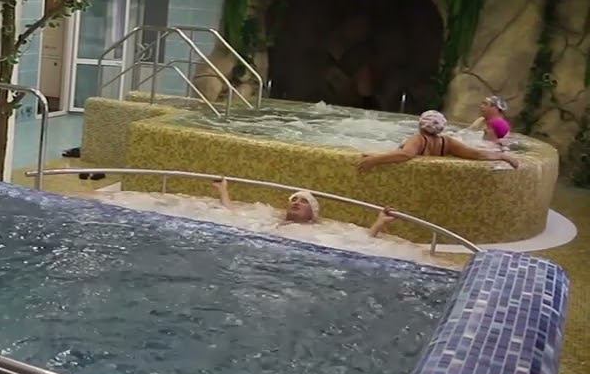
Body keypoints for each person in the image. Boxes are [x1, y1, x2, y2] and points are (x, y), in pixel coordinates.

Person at [212, 177, 398, 236]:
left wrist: (379, 223)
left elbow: (358, 240)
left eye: (303, 201)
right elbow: (234, 215)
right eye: (294, 200)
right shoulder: (268, 217)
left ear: (312, 214)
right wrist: (223, 190)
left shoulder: (319, 231)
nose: (296, 202)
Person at [357, 110, 518, 173]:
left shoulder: (418, 139)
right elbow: (476, 154)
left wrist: (375, 160)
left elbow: (405, 155)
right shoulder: (447, 141)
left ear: (420, 125)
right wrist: (502, 156)